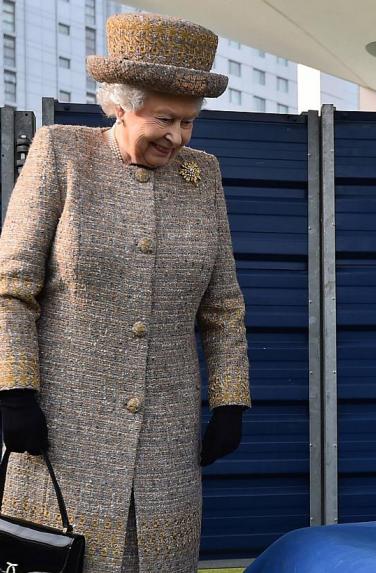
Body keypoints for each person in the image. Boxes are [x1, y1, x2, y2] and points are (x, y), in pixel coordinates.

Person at [0, 13, 251, 573]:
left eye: (189, 123)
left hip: (168, 431)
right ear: (119, 103)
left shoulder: (202, 175)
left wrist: (230, 400)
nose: (178, 137)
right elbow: (11, 289)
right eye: (165, 119)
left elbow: (223, 306)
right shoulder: (61, 152)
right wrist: (15, 390)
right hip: (63, 429)